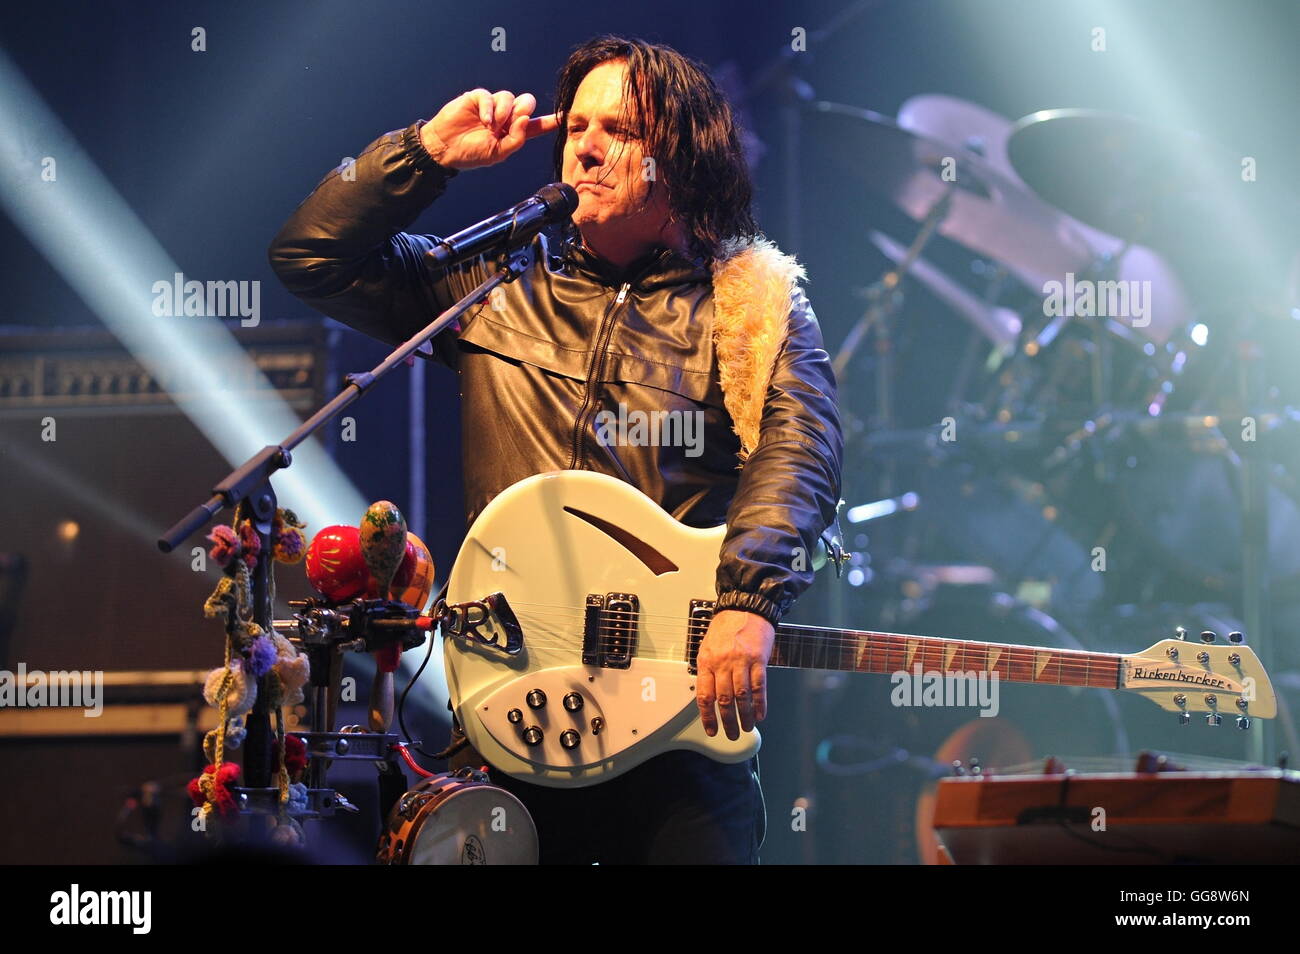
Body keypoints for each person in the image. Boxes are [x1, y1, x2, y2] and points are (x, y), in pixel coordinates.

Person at [268, 34, 843, 864]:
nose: (587, 144)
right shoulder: (494, 280)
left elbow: (801, 453)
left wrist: (748, 600)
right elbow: (309, 257)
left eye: (621, 128)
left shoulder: (748, 305)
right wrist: (426, 153)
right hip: (515, 702)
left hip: (676, 730)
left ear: (682, 155)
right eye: (576, 124)